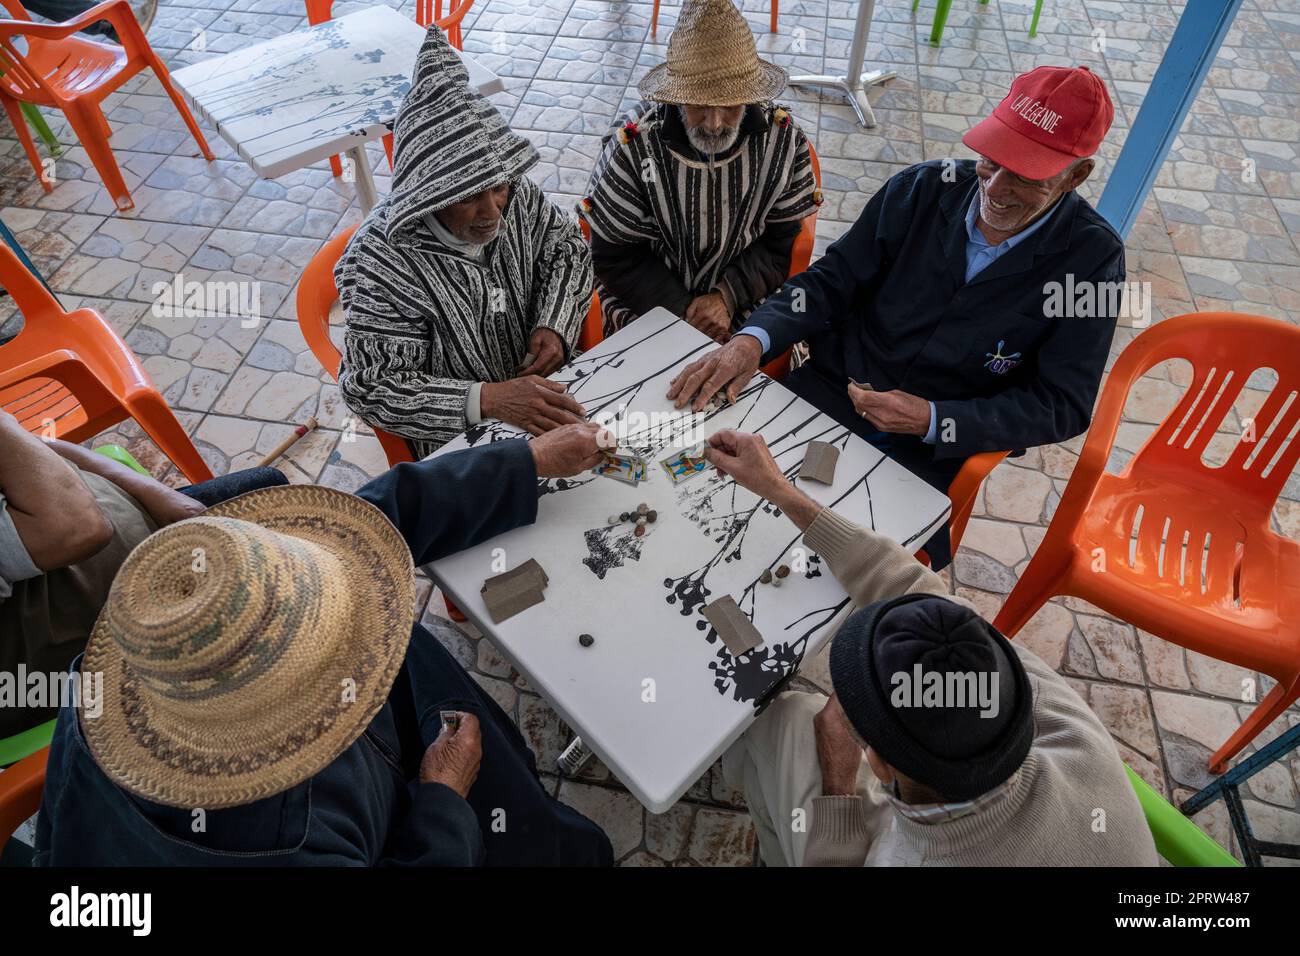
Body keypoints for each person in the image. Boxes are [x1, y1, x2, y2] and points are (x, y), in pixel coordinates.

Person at [35, 423, 615, 866]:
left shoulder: (135, 671)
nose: (359, 597)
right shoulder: (293, 839)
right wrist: (443, 801)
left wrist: (527, 462)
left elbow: (365, 527)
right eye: (335, 617)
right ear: (305, 711)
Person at [668, 65, 1124, 568]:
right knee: (696, 503)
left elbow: (1063, 404)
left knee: (828, 574)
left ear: (1076, 176)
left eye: (1025, 176)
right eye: (991, 162)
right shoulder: (922, 188)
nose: (994, 191)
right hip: (828, 392)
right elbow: (831, 281)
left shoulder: (1095, 259)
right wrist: (753, 339)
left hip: (928, 453)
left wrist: (935, 420)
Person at [705, 429, 1158, 866]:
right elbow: (916, 589)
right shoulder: (1066, 723)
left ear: (877, 765)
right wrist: (782, 491)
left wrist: (839, 785)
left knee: (781, 720)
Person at [337, 26, 593, 458]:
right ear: (428, 196)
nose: (492, 212)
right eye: (470, 197)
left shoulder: (519, 195)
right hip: (463, 441)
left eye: (498, 189)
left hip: (550, 395)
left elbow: (568, 248)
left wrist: (555, 323)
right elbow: (373, 386)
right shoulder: (381, 264)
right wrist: (487, 399)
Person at [0, 410, 285, 740]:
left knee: (267, 487)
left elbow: (38, 448)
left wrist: (152, 491)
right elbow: (81, 530)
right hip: (87, 651)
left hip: (142, 533)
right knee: (266, 638)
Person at [578, 0, 819, 342]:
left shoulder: (782, 141)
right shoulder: (635, 144)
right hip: (647, 301)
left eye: (731, 106)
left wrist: (725, 296)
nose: (715, 123)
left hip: (744, 299)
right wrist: (683, 311)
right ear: (676, 97)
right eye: (699, 107)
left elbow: (781, 244)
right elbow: (613, 255)